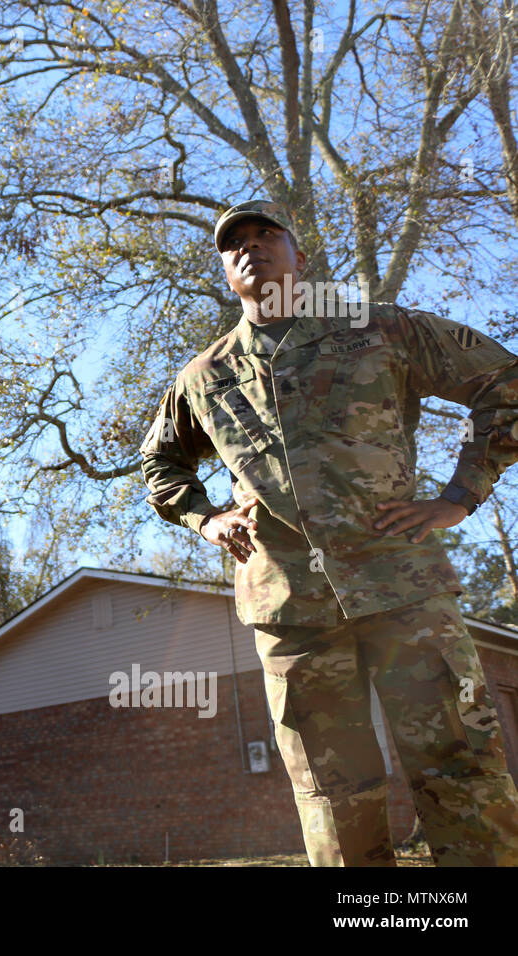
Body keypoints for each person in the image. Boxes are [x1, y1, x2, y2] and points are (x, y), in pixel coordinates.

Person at [141, 199, 518, 865]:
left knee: (461, 769)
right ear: (225, 273)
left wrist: (461, 495)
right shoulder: (204, 377)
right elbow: (160, 461)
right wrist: (206, 518)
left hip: (402, 586)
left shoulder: (381, 327)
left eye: (266, 235)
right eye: (234, 245)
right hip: (291, 610)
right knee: (332, 795)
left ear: (299, 256)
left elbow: (504, 380)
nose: (250, 249)